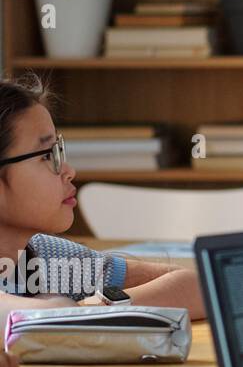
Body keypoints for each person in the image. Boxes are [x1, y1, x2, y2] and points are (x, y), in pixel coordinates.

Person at [0, 75, 205, 323]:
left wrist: (91, 306)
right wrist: (67, 312)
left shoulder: (46, 255)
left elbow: (196, 288)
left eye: (58, 150)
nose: (69, 171)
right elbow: (36, 317)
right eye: (46, 156)